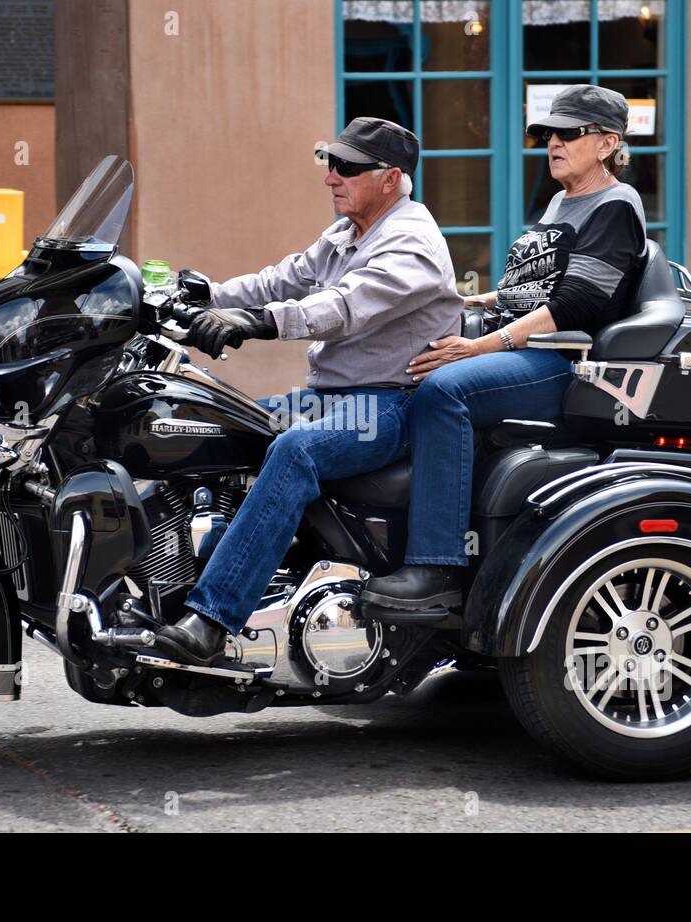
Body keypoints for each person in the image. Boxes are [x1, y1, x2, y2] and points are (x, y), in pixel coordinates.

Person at [154, 117, 463, 665]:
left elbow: (341, 308)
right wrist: (205, 296)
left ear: (391, 179)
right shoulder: (348, 232)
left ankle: (212, 618)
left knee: (295, 452)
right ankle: (175, 579)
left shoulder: (412, 243)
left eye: (346, 167)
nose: (331, 177)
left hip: (388, 403)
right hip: (329, 397)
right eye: (329, 163)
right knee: (204, 420)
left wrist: (254, 324)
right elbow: (284, 279)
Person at [362, 85, 649, 610]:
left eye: (569, 133)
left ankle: (434, 567)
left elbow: (577, 303)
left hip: (562, 361)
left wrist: (479, 348)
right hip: (525, 347)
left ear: (608, 144)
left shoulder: (615, 205)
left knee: (445, 390)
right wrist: (468, 301)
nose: (553, 142)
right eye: (548, 133)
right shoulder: (565, 199)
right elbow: (532, 287)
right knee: (409, 364)